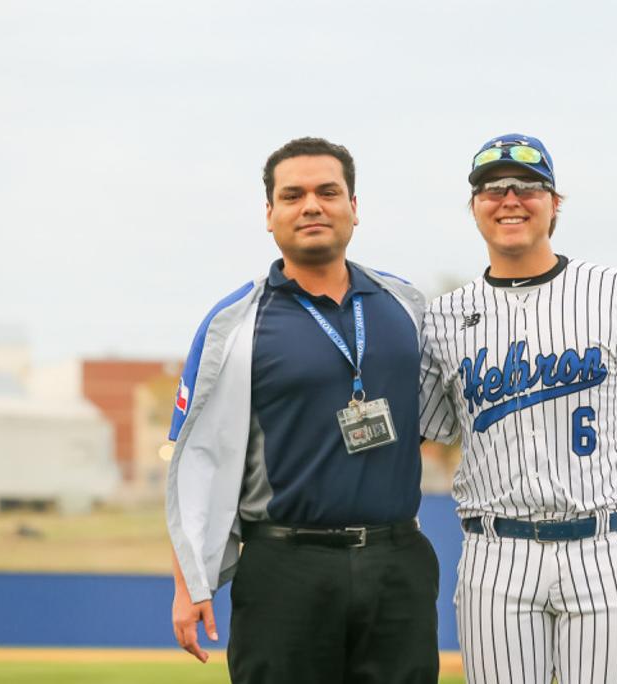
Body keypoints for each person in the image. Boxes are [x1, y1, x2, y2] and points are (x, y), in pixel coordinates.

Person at [419, 133, 617, 684]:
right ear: (475, 208)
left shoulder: (615, 293)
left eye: (528, 187)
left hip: (602, 547)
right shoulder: (443, 318)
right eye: (492, 189)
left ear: (555, 204)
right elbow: (418, 436)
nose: (510, 199)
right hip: (495, 552)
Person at [166, 137, 439, 683]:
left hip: (397, 561)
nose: (311, 205)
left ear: (354, 208)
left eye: (328, 192)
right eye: (292, 195)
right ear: (269, 215)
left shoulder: (407, 305)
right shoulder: (234, 323)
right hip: (284, 568)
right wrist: (187, 584)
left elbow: (442, 415)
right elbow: (191, 458)